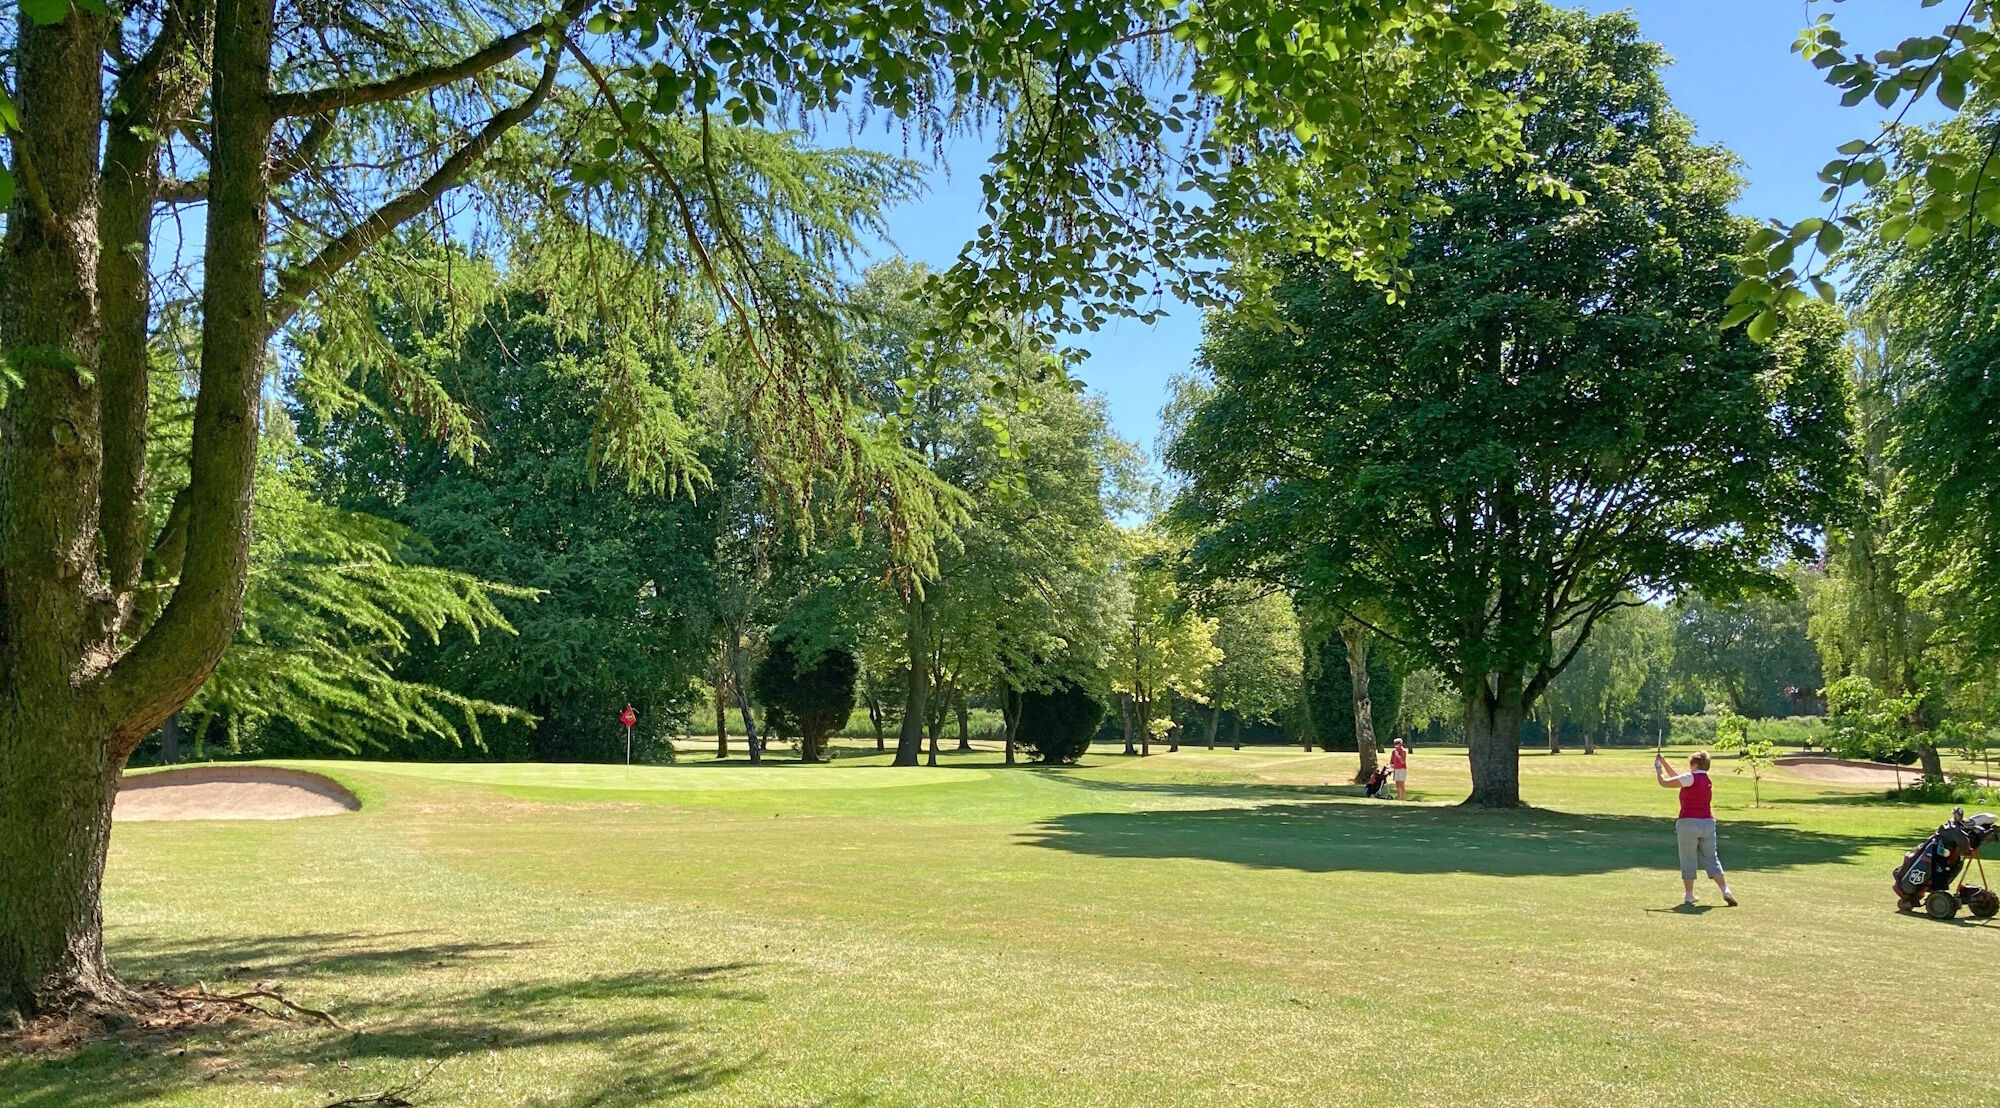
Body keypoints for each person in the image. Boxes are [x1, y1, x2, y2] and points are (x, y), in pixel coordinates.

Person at [1655, 750, 1737, 907]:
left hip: (1688, 823)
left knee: (1688, 858)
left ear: (1694, 764)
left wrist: (1658, 768)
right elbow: (1678, 778)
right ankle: (1725, 890)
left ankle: (1689, 895)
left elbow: (1664, 782)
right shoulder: (1705, 779)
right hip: (1707, 822)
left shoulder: (1689, 777)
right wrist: (1664, 762)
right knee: (1711, 857)